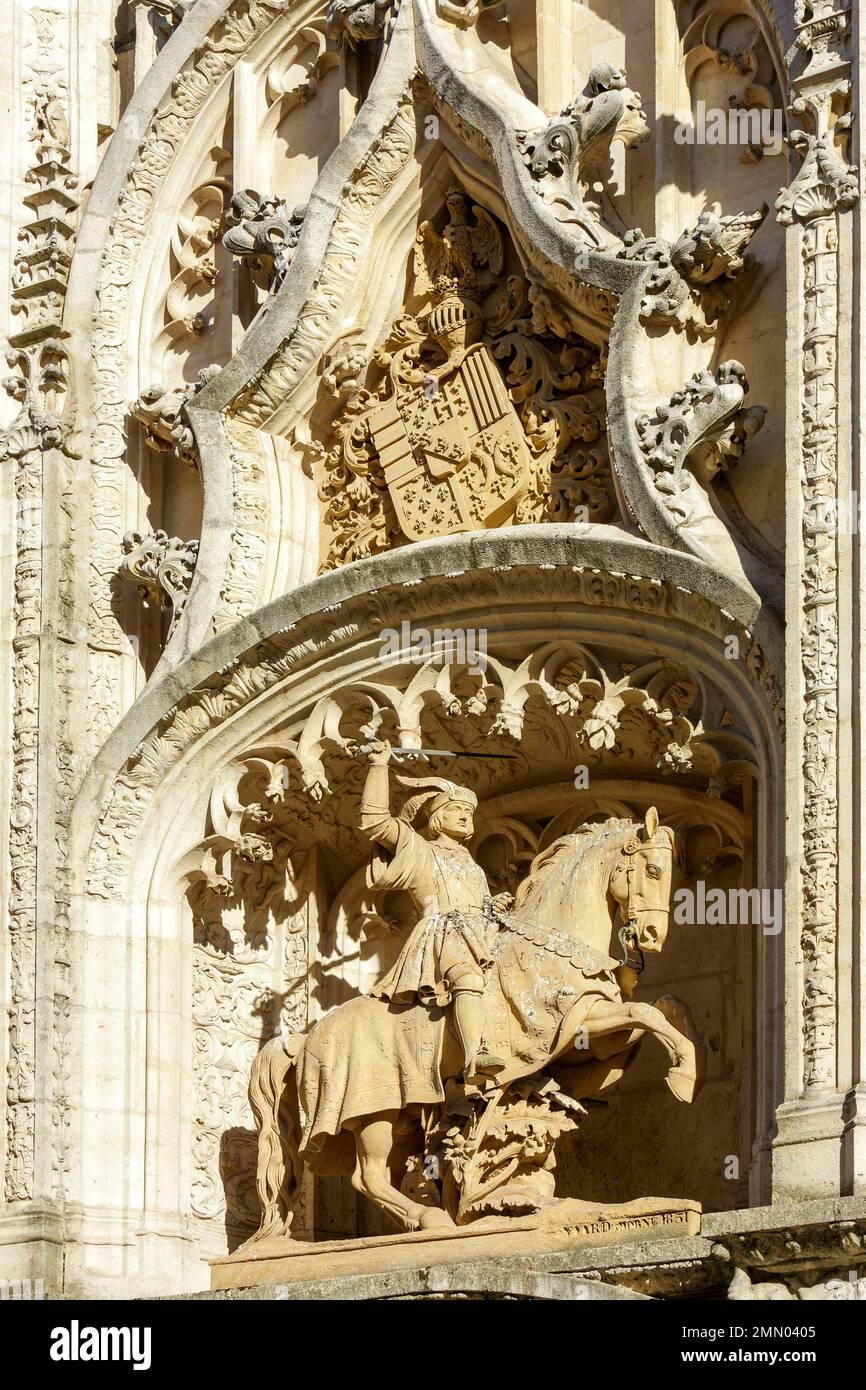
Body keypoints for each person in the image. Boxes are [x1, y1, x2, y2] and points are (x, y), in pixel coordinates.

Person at [360, 740, 505, 1084]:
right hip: (445, 933)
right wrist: (379, 765)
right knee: (468, 978)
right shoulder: (420, 850)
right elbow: (375, 823)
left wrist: (494, 907)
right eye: (457, 809)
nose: (466, 815)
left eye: (469, 811)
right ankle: (474, 1057)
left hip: (480, 934)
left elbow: (481, 906)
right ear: (438, 818)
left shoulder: (471, 863)